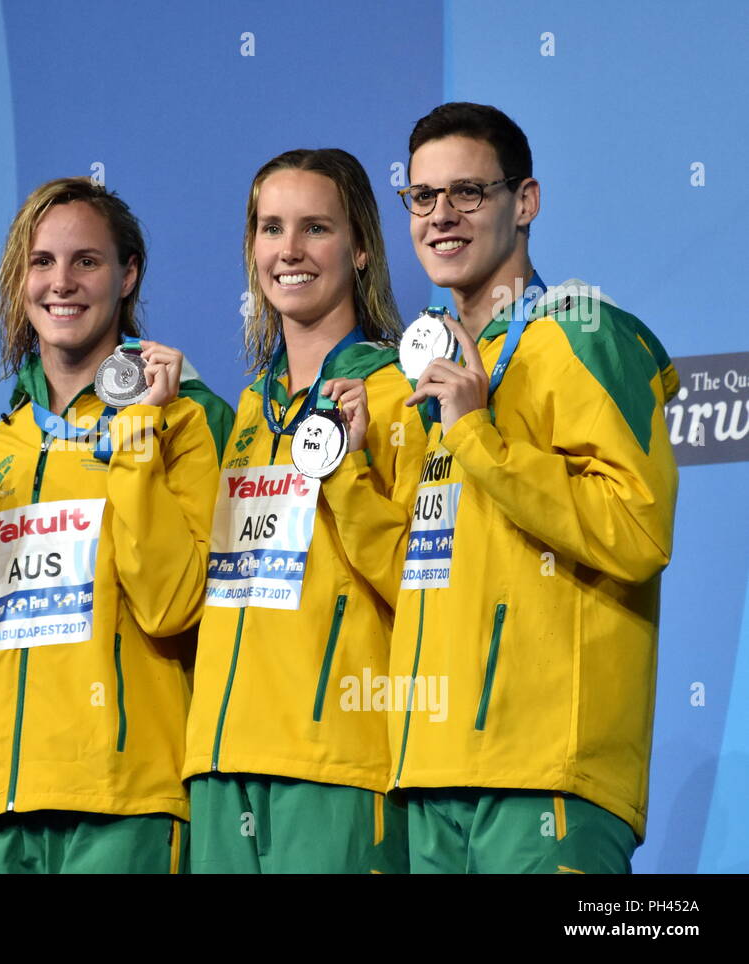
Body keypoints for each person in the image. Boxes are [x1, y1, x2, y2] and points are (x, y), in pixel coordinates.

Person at [389, 103, 679, 873]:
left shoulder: (581, 333)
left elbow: (637, 530)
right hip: (430, 775)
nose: (441, 217)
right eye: (422, 197)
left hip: (545, 773)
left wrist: (479, 437)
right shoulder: (433, 372)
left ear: (526, 203)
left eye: (468, 193)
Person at [0, 177, 233, 873]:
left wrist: (136, 435)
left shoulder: (185, 419)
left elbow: (173, 606)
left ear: (128, 275)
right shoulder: (3, 441)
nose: (61, 283)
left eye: (87, 261)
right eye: (41, 262)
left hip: (121, 801)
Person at [184, 148, 425, 873]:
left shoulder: (401, 392)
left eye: (315, 228)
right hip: (222, 766)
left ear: (359, 249)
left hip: (337, 763)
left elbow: (426, 584)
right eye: (270, 228)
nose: (288, 250)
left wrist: (350, 470)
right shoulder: (249, 410)